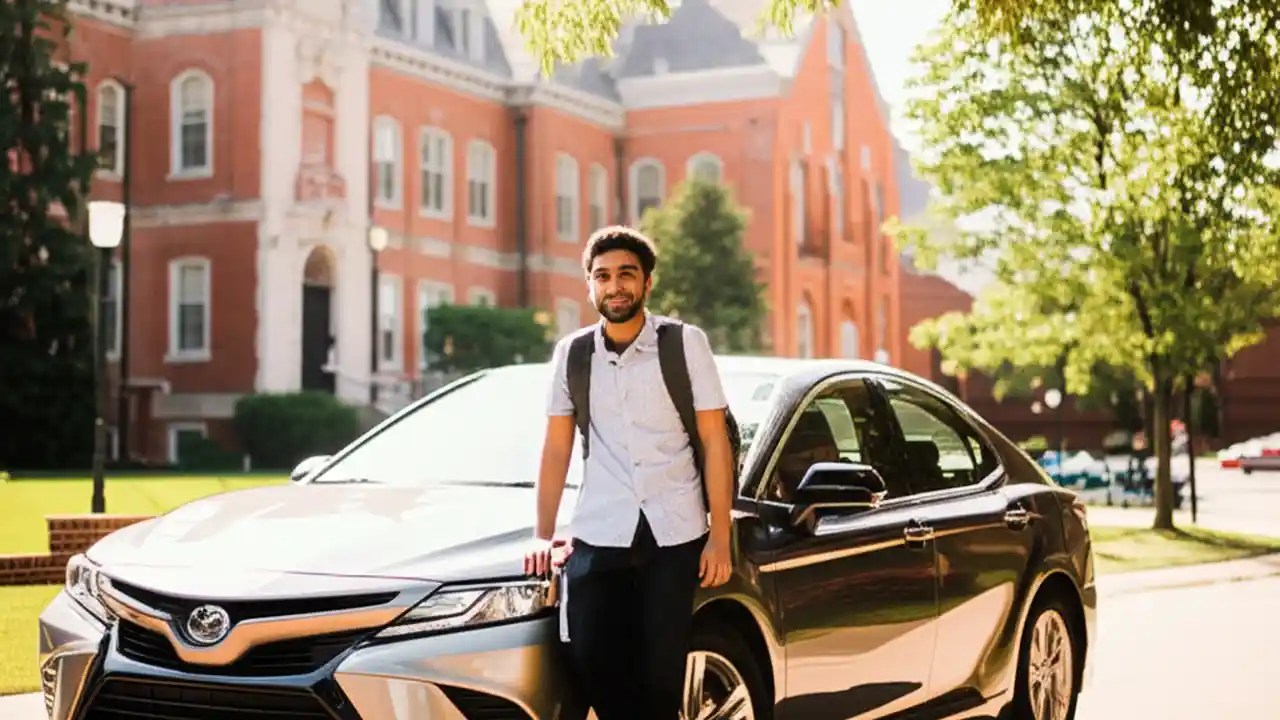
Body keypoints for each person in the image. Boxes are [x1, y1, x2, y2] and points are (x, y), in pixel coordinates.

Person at [523, 225, 735, 720]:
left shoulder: (684, 345)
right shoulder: (572, 355)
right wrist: (542, 534)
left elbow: (713, 442)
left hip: (675, 534)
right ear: (590, 285)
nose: (614, 286)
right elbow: (557, 448)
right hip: (600, 532)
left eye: (625, 274)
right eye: (602, 276)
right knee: (594, 662)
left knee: (660, 677)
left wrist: (719, 535)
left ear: (647, 283)